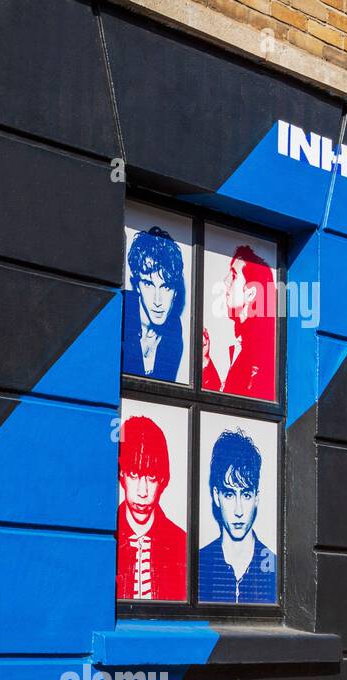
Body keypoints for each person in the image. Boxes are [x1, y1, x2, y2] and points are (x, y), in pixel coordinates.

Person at [198, 428, 276, 603]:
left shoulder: (273, 567)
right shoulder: (200, 564)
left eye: (246, 495)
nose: (238, 511)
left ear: (256, 497)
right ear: (216, 496)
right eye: (229, 494)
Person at [116, 415, 187, 601]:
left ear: (163, 479)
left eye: (152, 477)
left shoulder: (180, 543)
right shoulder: (108, 539)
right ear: (121, 474)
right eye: (134, 474)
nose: (143, 491)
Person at [121, 227, 186, 382]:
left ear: (175, 291)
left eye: (166, 287)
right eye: (149, 284)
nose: (158, 301)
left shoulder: (174, 332)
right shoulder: (120, 314)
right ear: (137, 285)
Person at [218, 245, 276, 401]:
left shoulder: (262, 356)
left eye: (234, 275)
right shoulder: (241, 346)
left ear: (251, 293)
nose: (226, 281)